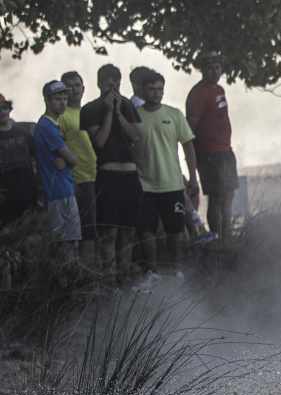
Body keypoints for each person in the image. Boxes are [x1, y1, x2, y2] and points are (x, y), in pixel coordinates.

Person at [81, 64, 143, 282]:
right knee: (109, 232)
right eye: (109, 82)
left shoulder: (127, 106)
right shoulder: (90, 109)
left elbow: (136, 136)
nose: (113, 86)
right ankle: (109, 278)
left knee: (128, 231)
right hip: (108, 176)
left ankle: (124, 277)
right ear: (99, 83)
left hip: (130, 175)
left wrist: (118, 112)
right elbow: (99, 141)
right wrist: (108, 112)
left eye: (117, 82)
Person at [136, 70, 198, 277]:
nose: (156, 93)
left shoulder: (174, 114)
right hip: (144, 185)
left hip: (172, 184)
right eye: (152, 89)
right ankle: (151, 272)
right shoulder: (134, 116)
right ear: (142, 90)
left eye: (160, 89)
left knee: (175, 231)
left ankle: (176, 271)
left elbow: (189, 147)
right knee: (146, 230)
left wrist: (193, 178)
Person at [186, 52, 238, 240]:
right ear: (202, 69)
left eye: (217, 67)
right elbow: (189, 128)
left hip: (225, 150)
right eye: (210, 67)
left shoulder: (219, 90)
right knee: (216, 198)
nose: (214, 71)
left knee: (228, 196)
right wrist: (192, 158)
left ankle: (227, 236)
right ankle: (216, 238)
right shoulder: (198, 93)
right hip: (209, 153)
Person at [33, 81, 80, 263]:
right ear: (47, 100)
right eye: (57, 99)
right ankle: (69, 284)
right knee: (66, 243)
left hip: (64, 187)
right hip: (58, 191)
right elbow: (73, 159)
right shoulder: (46, 126)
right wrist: (68, 161)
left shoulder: (54, 124)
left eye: (65, 99)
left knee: (70, 241)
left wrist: (66, 162)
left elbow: (66, 160)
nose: (63, 103)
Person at [58, 71, 99, 270]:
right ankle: (86, 274)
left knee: (102, 229)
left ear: (84, 88)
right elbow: (57, 154)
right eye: (69, 86)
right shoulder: (60, 117)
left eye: (77, 85)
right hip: (79, 180)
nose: (74, 90)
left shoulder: (91, 112)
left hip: (99, 176)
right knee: (86, 231)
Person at [0, 93, 37, 226]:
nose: (1, 112)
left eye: (4, 108)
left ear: (9, 109)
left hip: (28, 190)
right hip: (5, 196)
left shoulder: (24, 132)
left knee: (30, 230)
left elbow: (36, 158)